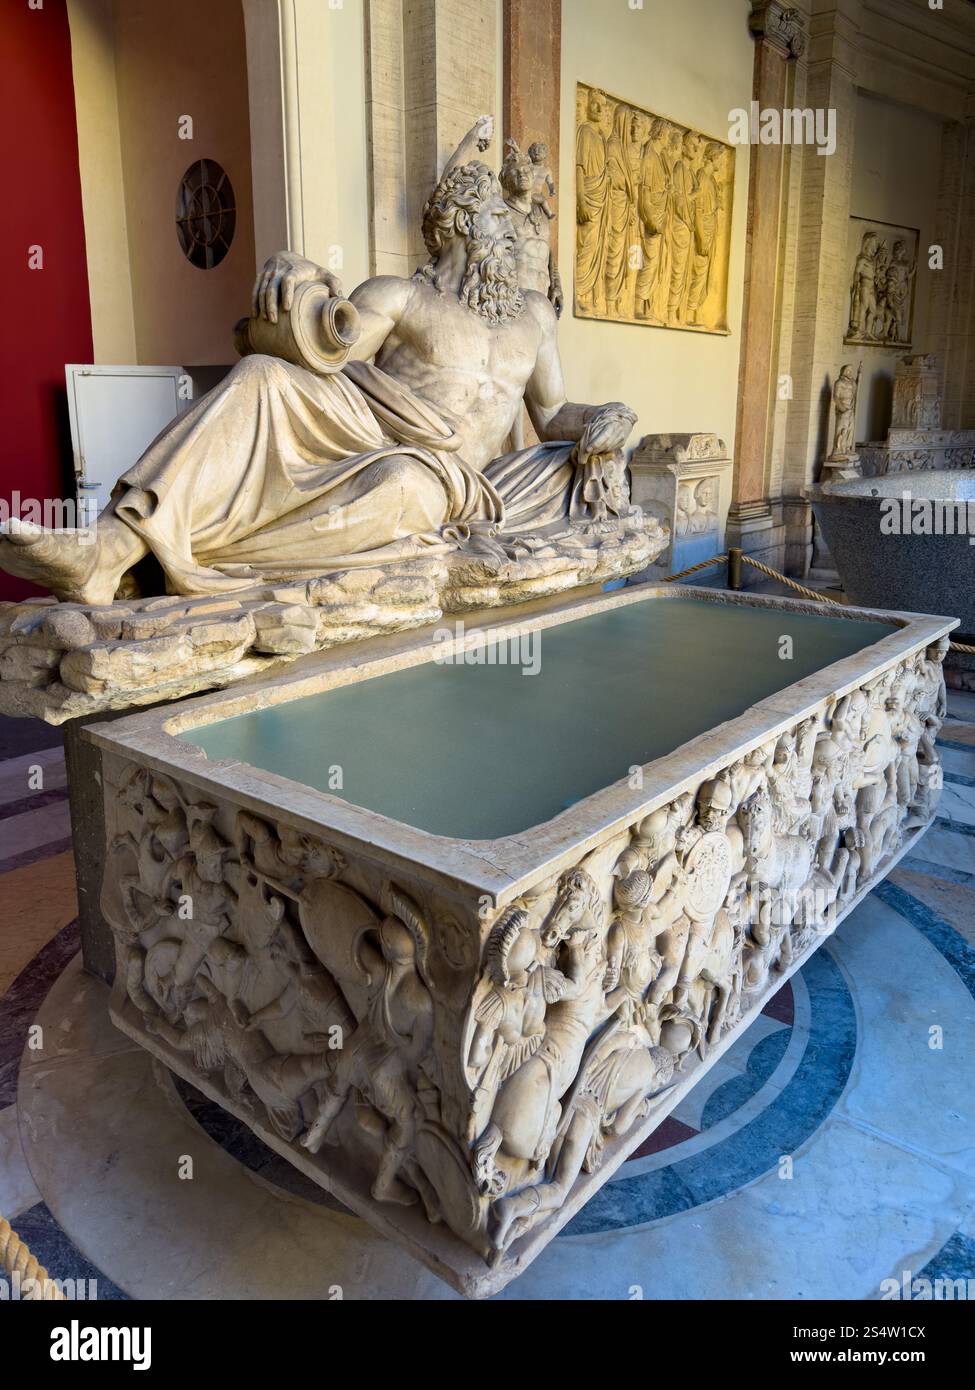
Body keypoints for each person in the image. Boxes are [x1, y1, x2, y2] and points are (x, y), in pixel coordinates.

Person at [0, 120, 636, 604]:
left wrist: (606, 415)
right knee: (262, 377)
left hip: (452, 483)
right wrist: (302, 280)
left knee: (406, 487)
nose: (514, 230)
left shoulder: (533, 316)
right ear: (465, 224)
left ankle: (184, 558)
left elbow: (553, 415)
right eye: (500, 216)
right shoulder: (400, 296)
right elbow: (317, 354)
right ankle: (113, 547)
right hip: (377, 440)